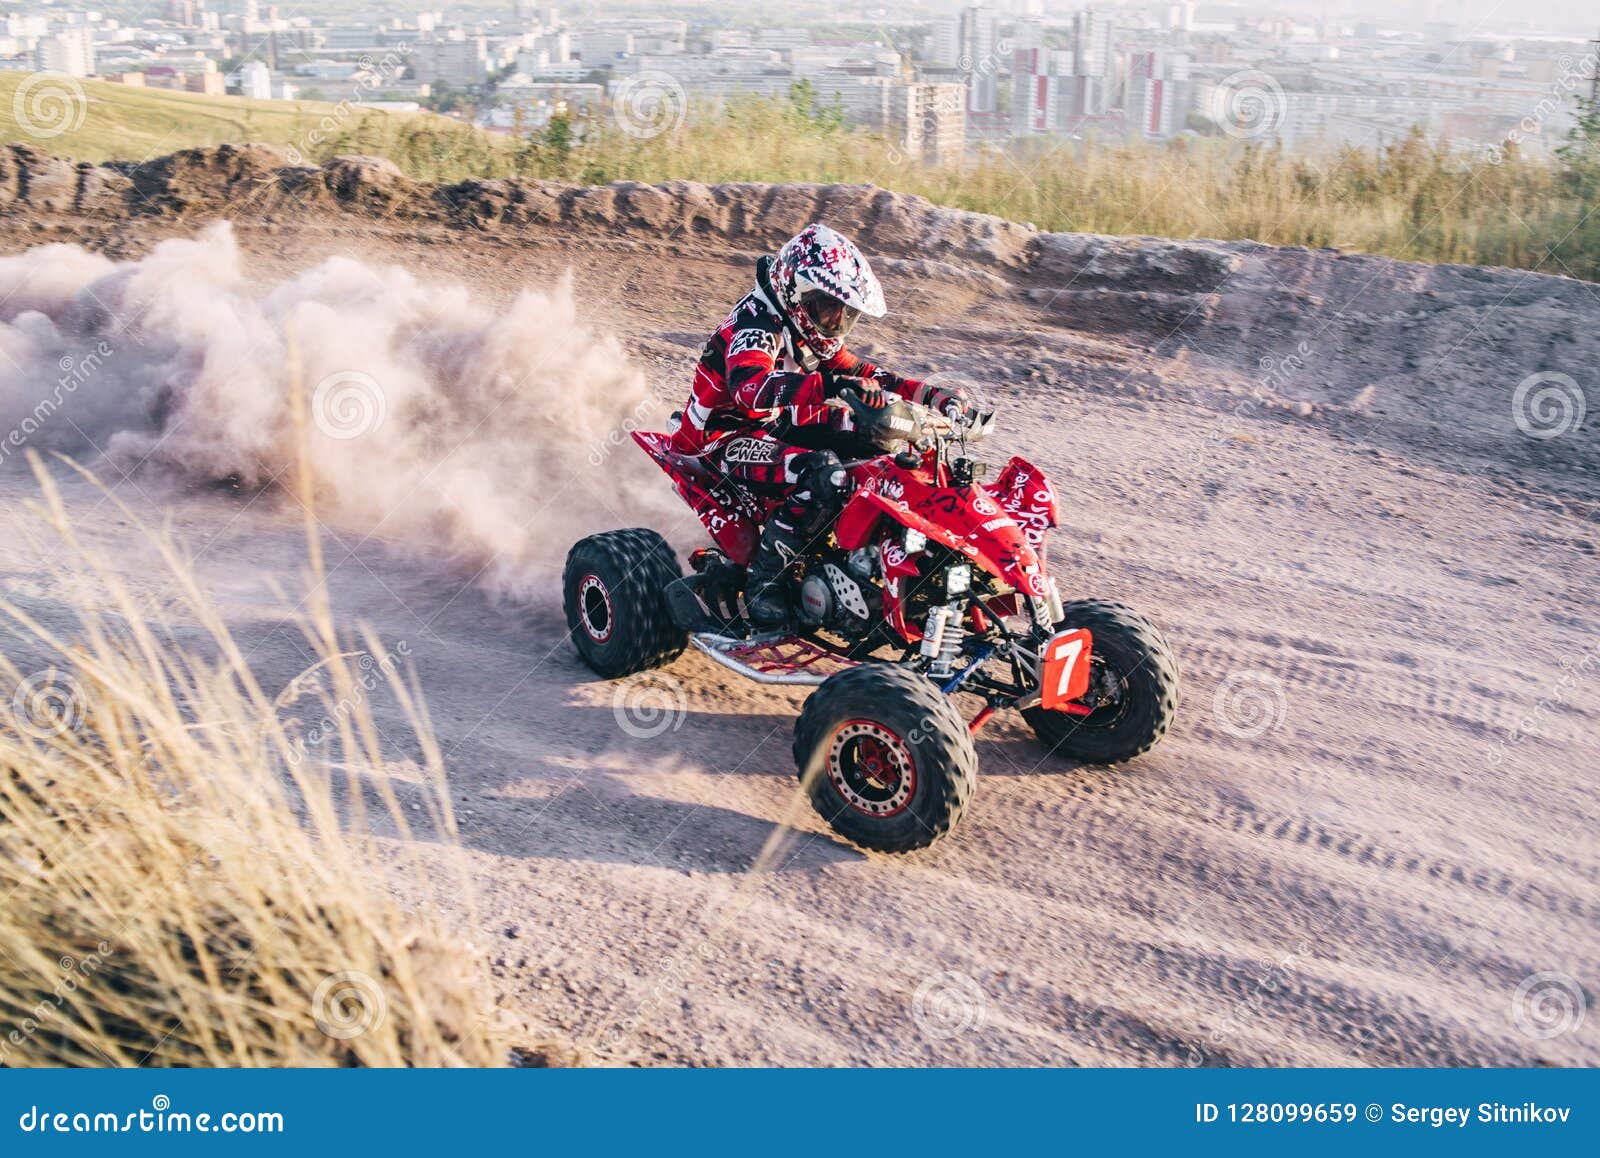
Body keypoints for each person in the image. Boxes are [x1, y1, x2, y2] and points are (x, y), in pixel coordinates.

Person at [669, 223, 971, 628]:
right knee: (823, 474)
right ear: (796, 291)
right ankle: (765, 582)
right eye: (828, 307)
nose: (836, 320)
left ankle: (872, 561)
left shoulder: (804, 328)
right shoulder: (756, 326)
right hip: (723, 438)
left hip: (776, 427)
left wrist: (932, 396)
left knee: (881, 444)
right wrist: (830, 384)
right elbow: (751, 389)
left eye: (844, 313)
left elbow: (865, 372)